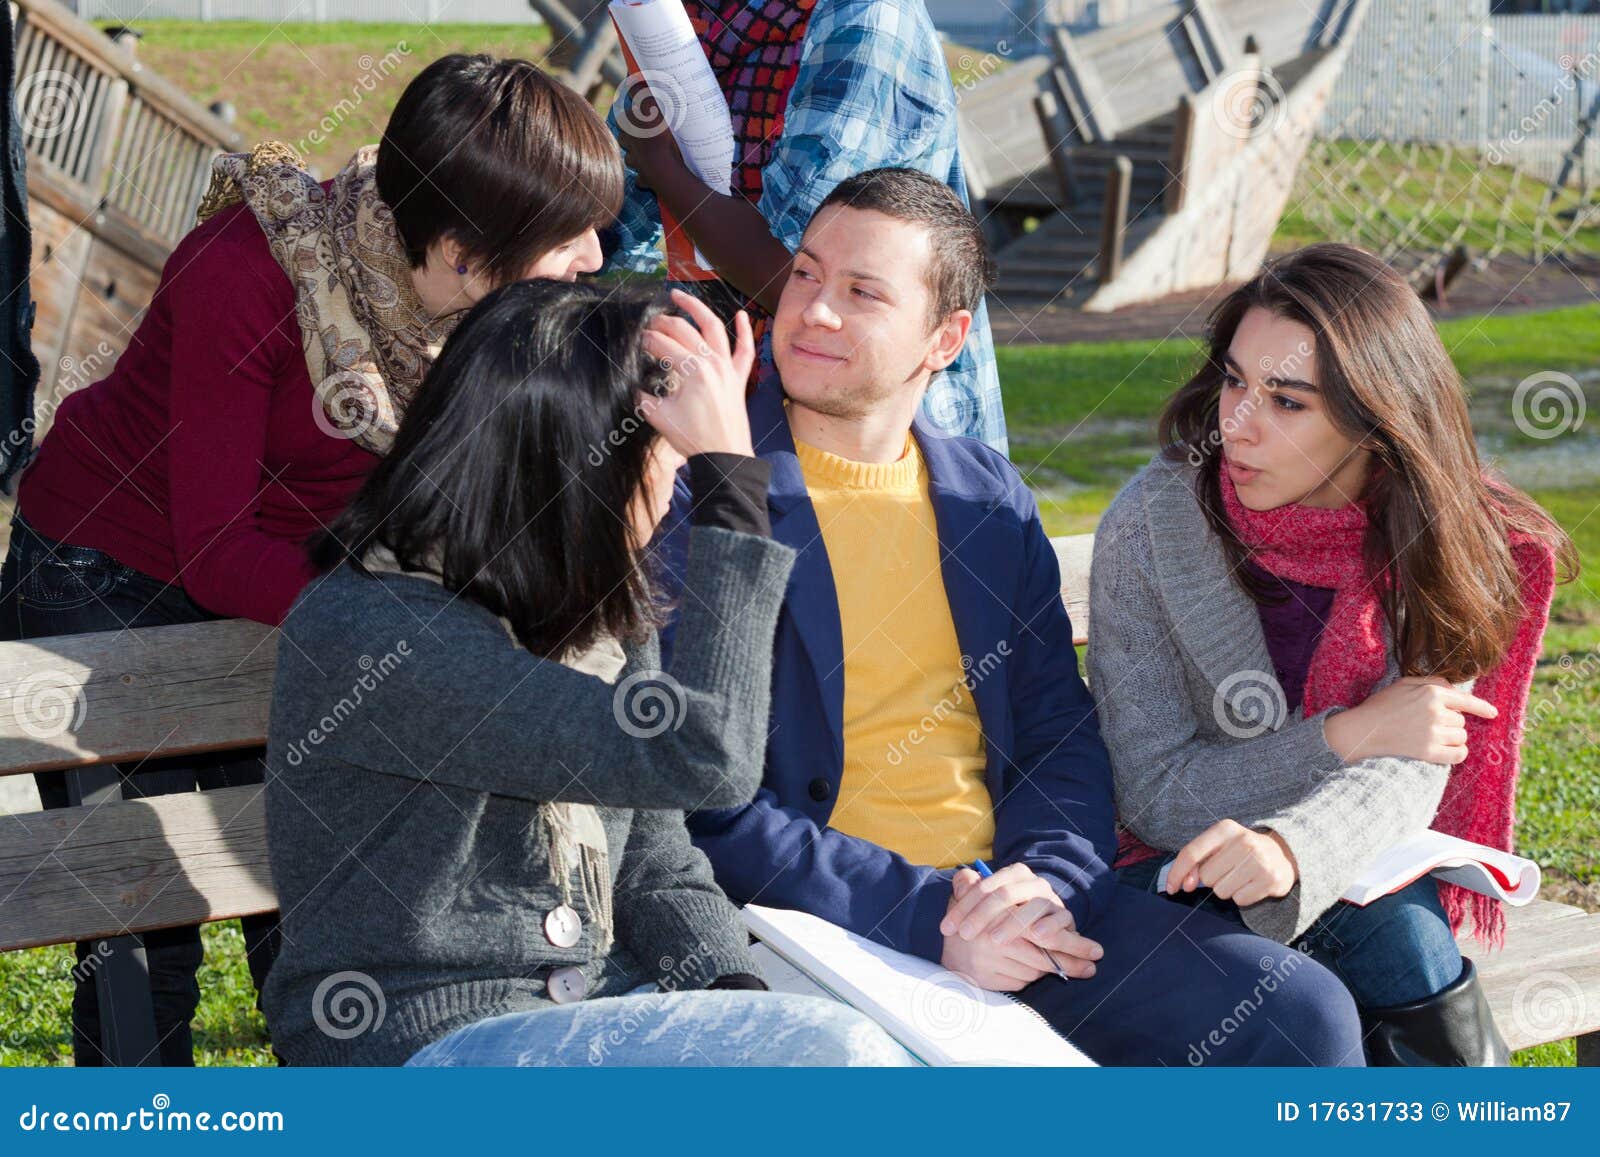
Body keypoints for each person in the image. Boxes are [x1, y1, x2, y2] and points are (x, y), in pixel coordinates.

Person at [655, 168, 1367, 1066]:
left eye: (863, 291)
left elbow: (1055, 729)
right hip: (825, 926)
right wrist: (933, 918)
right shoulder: (709, 483)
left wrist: (1047, 884)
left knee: (1297, 1016)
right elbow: (703, 800)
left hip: (1017, 907)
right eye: (804, 273)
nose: (815, 310)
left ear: (945, 339)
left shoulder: (983, 498)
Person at [0, 54, 622, 1066]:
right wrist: (411, 627)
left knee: (316, 898)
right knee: (137, 922)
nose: (596, 257)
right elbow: (215, 551)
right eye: (569, 236)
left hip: (312, 583)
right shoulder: (246, 269)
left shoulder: (493, 307)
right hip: (108, 572)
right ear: (465, 251)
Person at [263, 277, 909, 1068]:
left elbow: (656, 864)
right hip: (418, 1048)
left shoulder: (595, 611)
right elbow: (707, 755)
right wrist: (731, 490)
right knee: (835, 1054)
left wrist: (734, 995)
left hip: (599, 1020)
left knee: (857, 1048)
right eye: (666, 461)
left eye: (684, 467)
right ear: (575, 468)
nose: (673, 490)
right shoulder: (379, 634)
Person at [1087, 242, 1575, 1065]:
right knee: (1385, 935)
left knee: (1390, 921)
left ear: (1374, 415)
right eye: (1235, 382)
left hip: (1353, 863)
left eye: (1287, 401)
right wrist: (1346, 735)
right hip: (1170, 874)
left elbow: (1419, 759)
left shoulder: (1444, 532)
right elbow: (1154, 793)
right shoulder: (1153, 526)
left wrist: (1290, 848)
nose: (1236, 425)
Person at [606, 0, 1007, 453]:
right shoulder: (695, 23)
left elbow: (795, 275)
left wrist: (661, 166)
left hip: (869, 427)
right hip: (720, 402)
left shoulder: (866, 19)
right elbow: (613, 233)